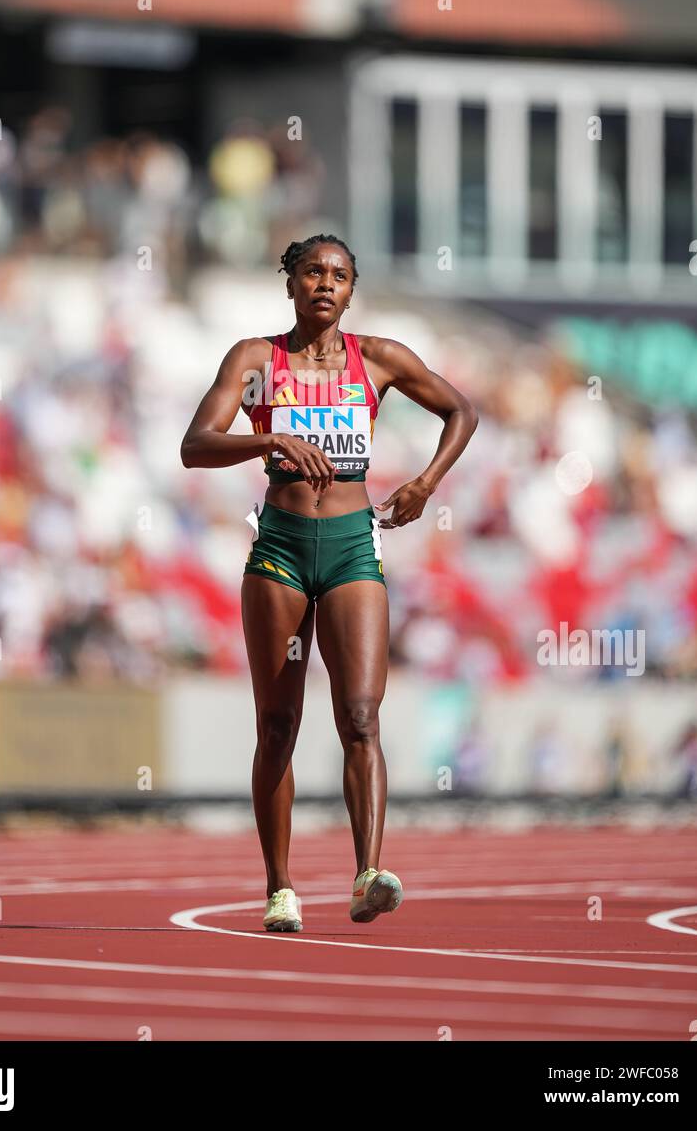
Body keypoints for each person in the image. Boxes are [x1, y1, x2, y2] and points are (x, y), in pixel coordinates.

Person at [181, 234, 478, 932]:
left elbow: (461, 410)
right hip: (281, 551)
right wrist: (268, 441)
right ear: (289, 284)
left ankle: (368, 873)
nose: (325, 284)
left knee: (362, 716)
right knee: (279, 722)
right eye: (312, 272)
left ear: (352, 289)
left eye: (339, 275)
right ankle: (280, 887)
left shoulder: (377, 359)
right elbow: (195, 446)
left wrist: (426, 484)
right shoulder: (257, 361)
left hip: (351, 549)